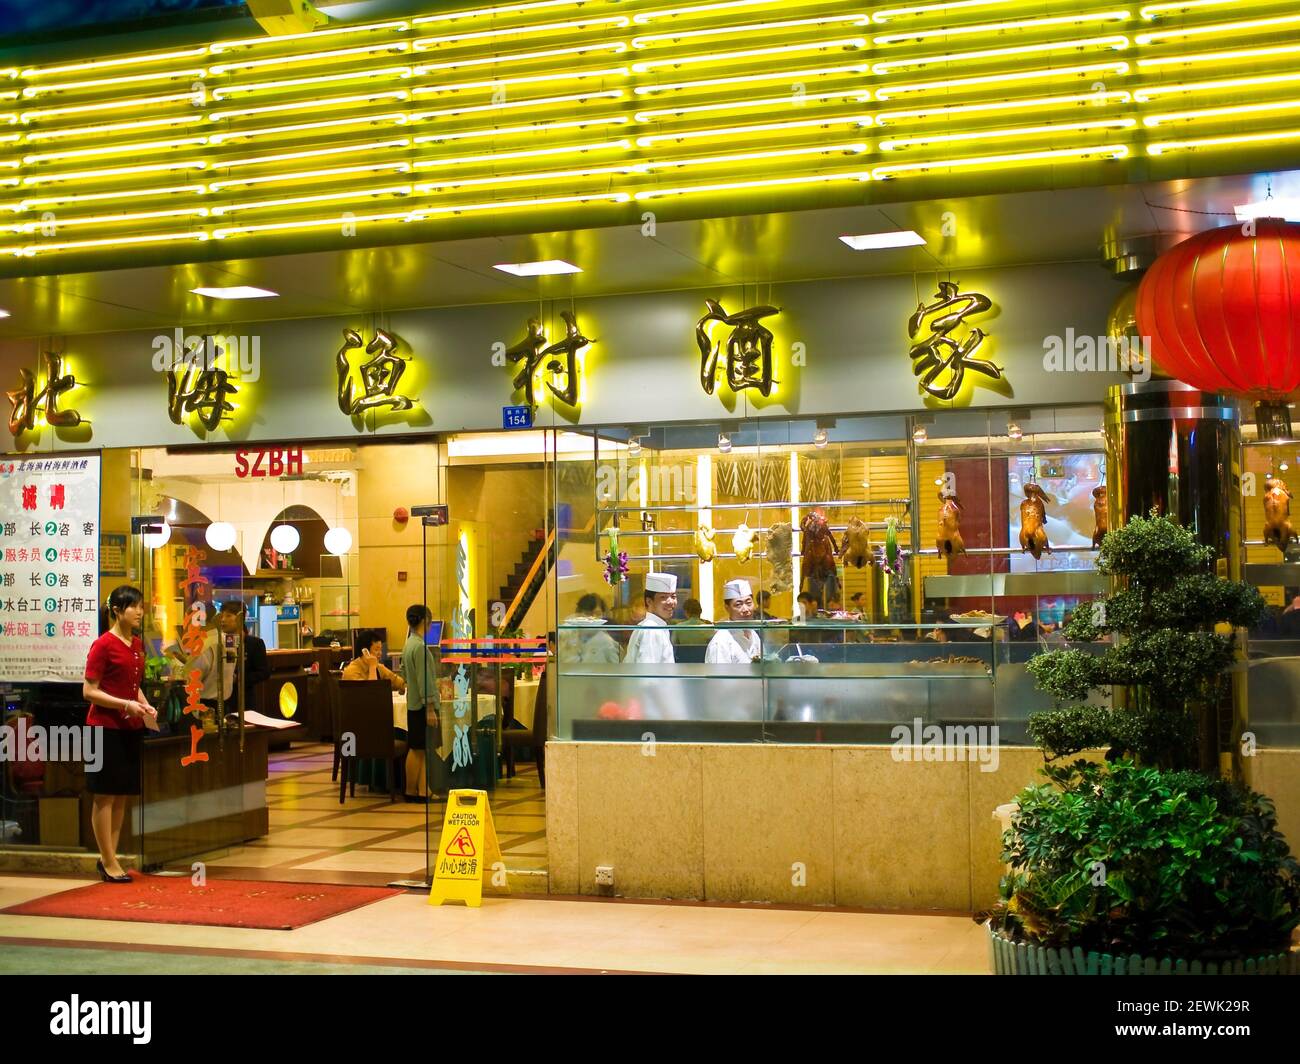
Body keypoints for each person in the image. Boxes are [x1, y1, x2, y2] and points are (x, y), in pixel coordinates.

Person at [83, 585, 158, 883]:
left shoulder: (137, 644)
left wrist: (144, 703)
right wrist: (125, 704)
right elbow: (89, 690)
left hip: (130, 728)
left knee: (122, 796)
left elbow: (131, 684)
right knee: (104, 796)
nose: (140, 612)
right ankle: (108, 859)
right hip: (103, 728)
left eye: (141, 606)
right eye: (133, 606)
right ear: (117, 610)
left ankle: (110, 858)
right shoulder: (103, 644)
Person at [401, 604, 441, 804]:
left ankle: (420, 790)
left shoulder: (409, 645)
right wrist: (431, 708)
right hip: (422, 706)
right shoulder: (421, 648)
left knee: (420, 749)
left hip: (413, 703)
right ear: (425, 621)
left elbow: (406, 674)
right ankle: (415, 789)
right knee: (419, 749)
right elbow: (425, 680)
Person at [218, 600, 270, 711]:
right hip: (221, 702)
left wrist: (239, 679)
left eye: (228, 616)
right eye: (221, 616)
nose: (223, 620)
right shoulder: (219, 644)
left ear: (241, 618)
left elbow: (264, 673)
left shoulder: (255, 644)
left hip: (245, 703)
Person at [624, 572, 677, 664]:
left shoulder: (656, 627)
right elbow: (648, 673)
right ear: (649, 601)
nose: (670, 602)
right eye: (663, 597)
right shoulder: (651, 630)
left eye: (673, 596)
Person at [706, 579, 761, 663]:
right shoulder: (721, 641)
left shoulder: (753, 634)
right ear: (727, 608)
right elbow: (719, 675)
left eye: (748, 603)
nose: (745, 609)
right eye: (738, 605)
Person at [559, 593, 622, 663]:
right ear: (578, 614)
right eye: (588, 614)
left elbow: (615, 668)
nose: (593, 618)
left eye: (598, 614)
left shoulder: (606, 641)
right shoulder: (566, 633)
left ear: (603, 615)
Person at [343, 631, 407, 691]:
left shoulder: (379, 667)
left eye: (380, 649)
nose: (380, 653)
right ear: (365, 651)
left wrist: (402, 688)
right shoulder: (351, 671)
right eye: (376, 650)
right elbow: (371, 693)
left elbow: (399, 682)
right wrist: (372, 667)